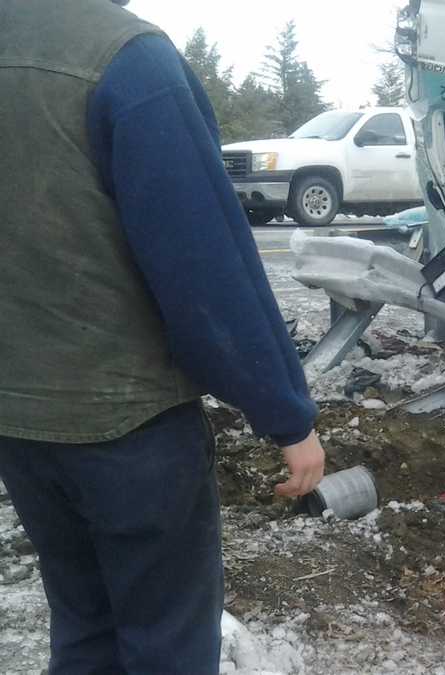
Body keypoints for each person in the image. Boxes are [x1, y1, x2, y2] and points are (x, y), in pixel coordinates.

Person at [0, 1, 326, 672]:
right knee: (166, 644)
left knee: (85, 630)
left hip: (20, 424)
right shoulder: (126, 60)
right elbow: (205, 267)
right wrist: (285, 413)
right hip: (129, 427)